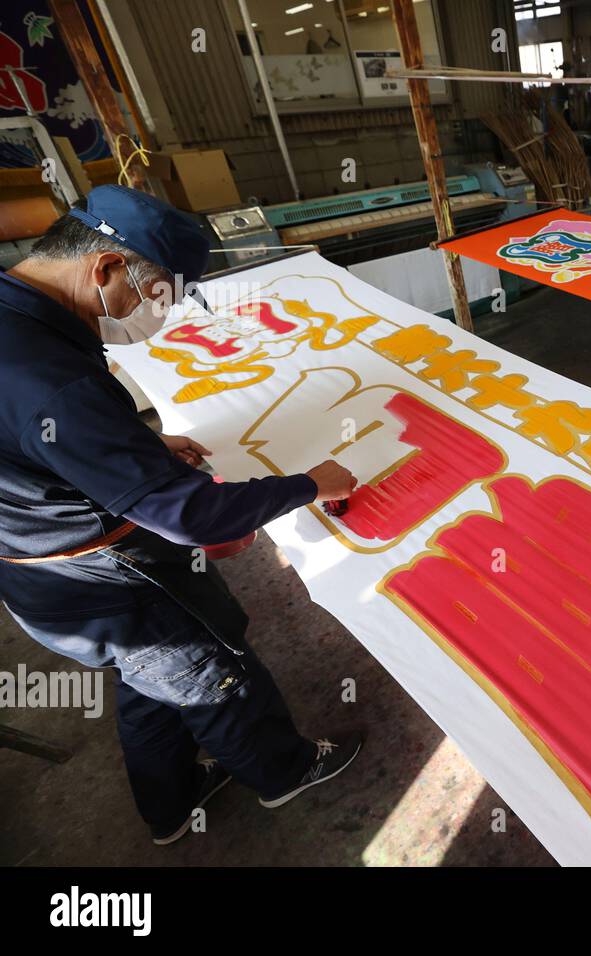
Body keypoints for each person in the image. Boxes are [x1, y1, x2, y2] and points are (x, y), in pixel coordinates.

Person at [0, 185, 364, 845]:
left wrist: (125, 443)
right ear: (105, 269)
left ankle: (168, 807)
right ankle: (285, 772)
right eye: (154, 298)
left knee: (150, 677)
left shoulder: (16, 314)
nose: (156, 320)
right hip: (104, 576)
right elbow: (188, 515)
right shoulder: (53, 377)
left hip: (35, 570)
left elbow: (28, 434)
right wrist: (308, 483)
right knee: (207, 672)